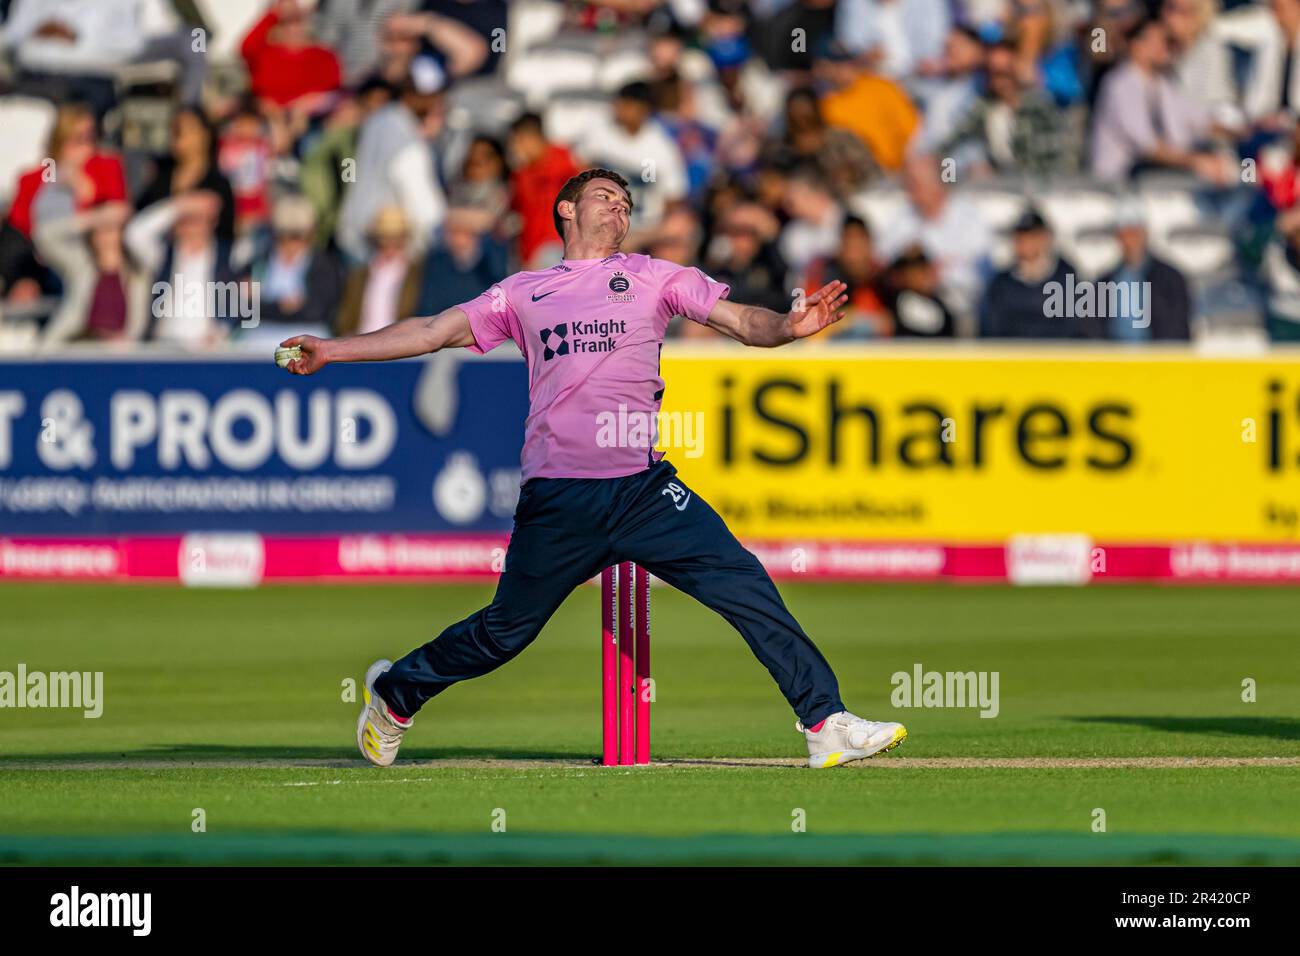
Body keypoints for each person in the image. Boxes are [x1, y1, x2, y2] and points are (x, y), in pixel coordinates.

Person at [279, 168, 908, 770]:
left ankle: (826, 724)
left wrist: (791, 327)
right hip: (560, 495)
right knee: (503, 634)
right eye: (606, 196)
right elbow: (430, 331)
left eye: (627, 203)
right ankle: (396, 693)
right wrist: (332, 350)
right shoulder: (523, 291)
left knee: (743, 583)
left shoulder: (656, 275)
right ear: (566, 210)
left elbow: (744, 321)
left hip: (643, 489)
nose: (620, 207)